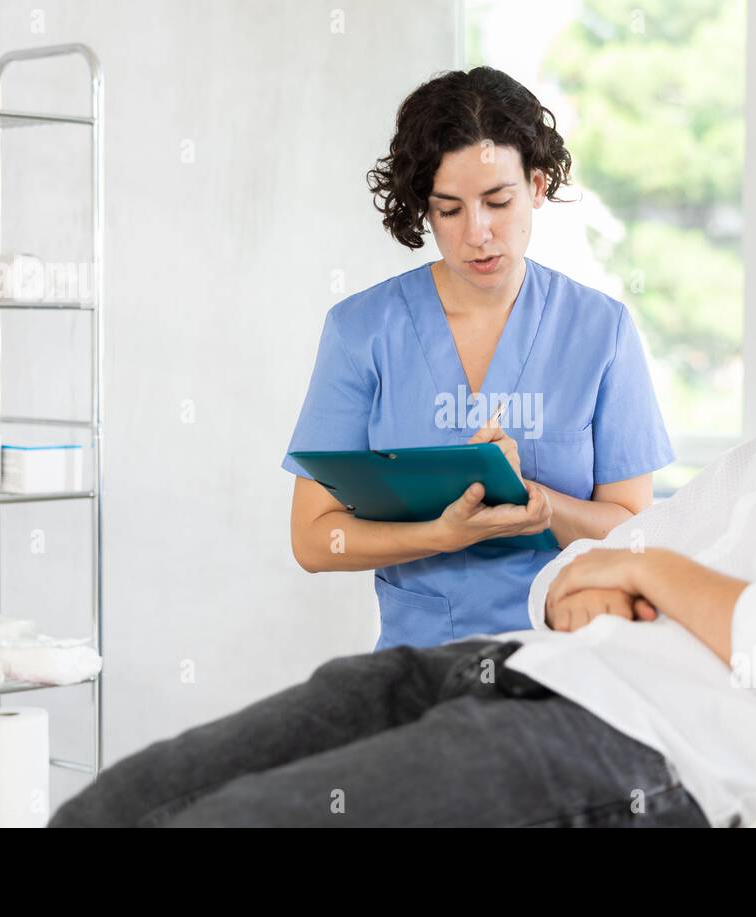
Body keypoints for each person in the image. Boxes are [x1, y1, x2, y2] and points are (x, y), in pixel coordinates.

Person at [50, 221, 756, 828]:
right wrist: (631, 570)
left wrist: (649, 571)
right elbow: (580, 566)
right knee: (127, 799)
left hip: (635, 752)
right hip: (494, 667)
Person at [283, 66, 675, 650]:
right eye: (449, 209)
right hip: (419, 664)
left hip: (568, 660)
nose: (478, 233)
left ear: (538, 186)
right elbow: (315, 540)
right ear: (424, 208)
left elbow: (631, 531)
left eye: (498, 201)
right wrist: (440, 534)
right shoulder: (362, 331)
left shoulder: (600, 330)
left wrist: (540, 505)